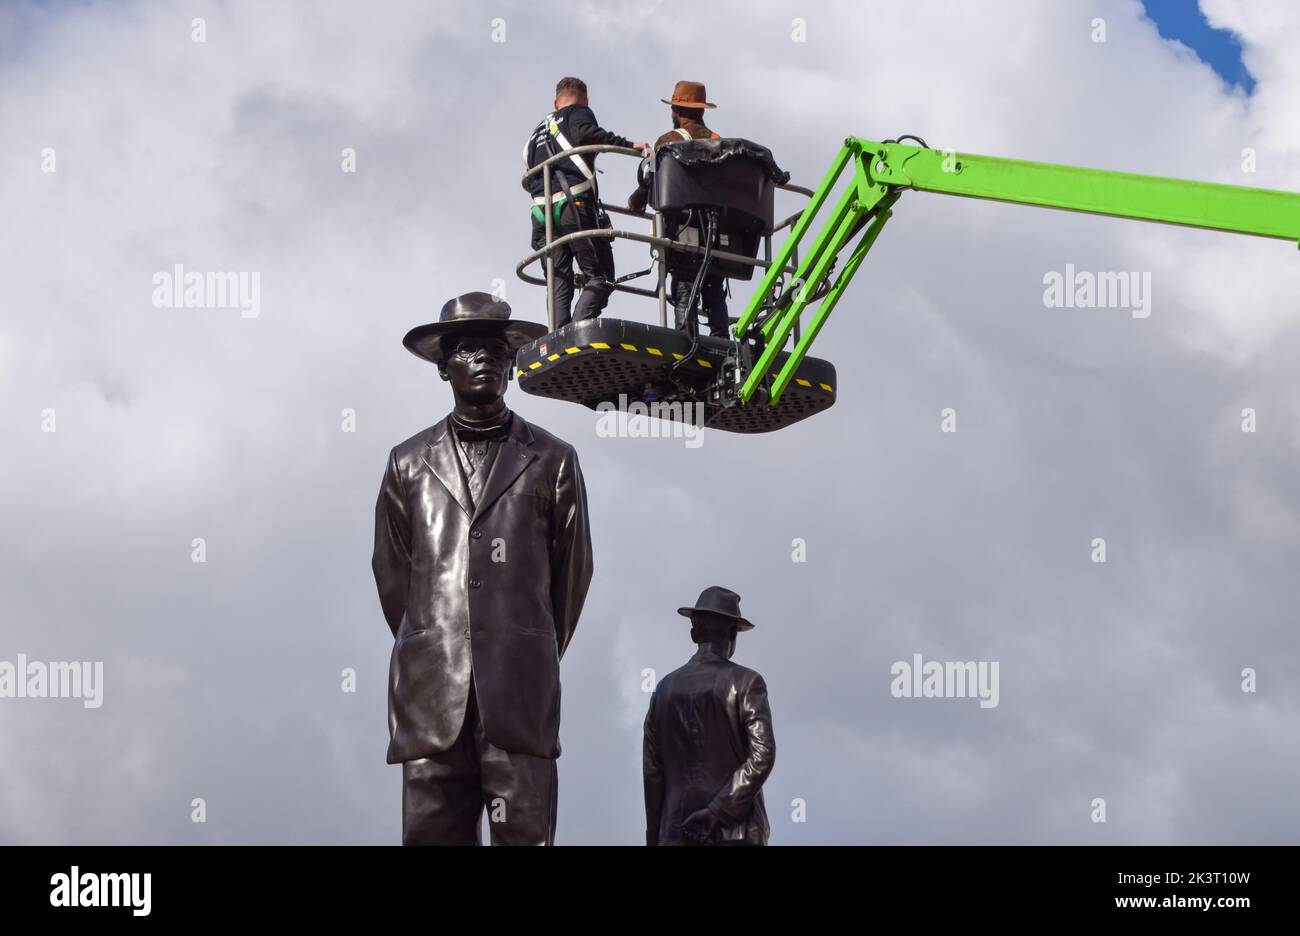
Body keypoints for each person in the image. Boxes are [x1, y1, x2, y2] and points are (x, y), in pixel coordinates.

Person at [372, 292, 594, 845]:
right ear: (444, 368)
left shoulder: (553, 459)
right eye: (468, 350)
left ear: (513, 364)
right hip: (431, 690)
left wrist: (524, 640)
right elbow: (393, 574)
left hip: (519, 688)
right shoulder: (407, 462)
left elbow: (573, 573)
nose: (484, 360)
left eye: (496, 349)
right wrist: (434, 637)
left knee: (524, 834)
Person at [643, 586, 775, 845]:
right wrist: (718, 810)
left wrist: (655, 837)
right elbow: (762, 756)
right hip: (736, 833)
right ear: (732, 633)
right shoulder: (747, 682)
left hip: (673, 834)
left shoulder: (664, 690)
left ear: (694, 633)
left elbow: (652, 774)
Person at [523, 77, 649, 328]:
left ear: (555, 102)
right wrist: (631, 145)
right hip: (574, 206)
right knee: (601, 278)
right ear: (586, 99)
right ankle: (573, 331)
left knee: (558, 281)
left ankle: (557, 336)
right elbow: (586, 133)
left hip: (541, 214)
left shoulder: (538, 130)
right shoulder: (579, 113)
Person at [627, 80, 730, 338]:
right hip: (715, 231)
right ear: (702, 111)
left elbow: (652, 179)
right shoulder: (722, 144)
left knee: (684, 282)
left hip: (683, 227)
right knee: (714, 282)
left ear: (675, 111)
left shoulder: (669, 141)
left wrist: (636, 200)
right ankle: (721, 338)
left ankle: (686, 340)